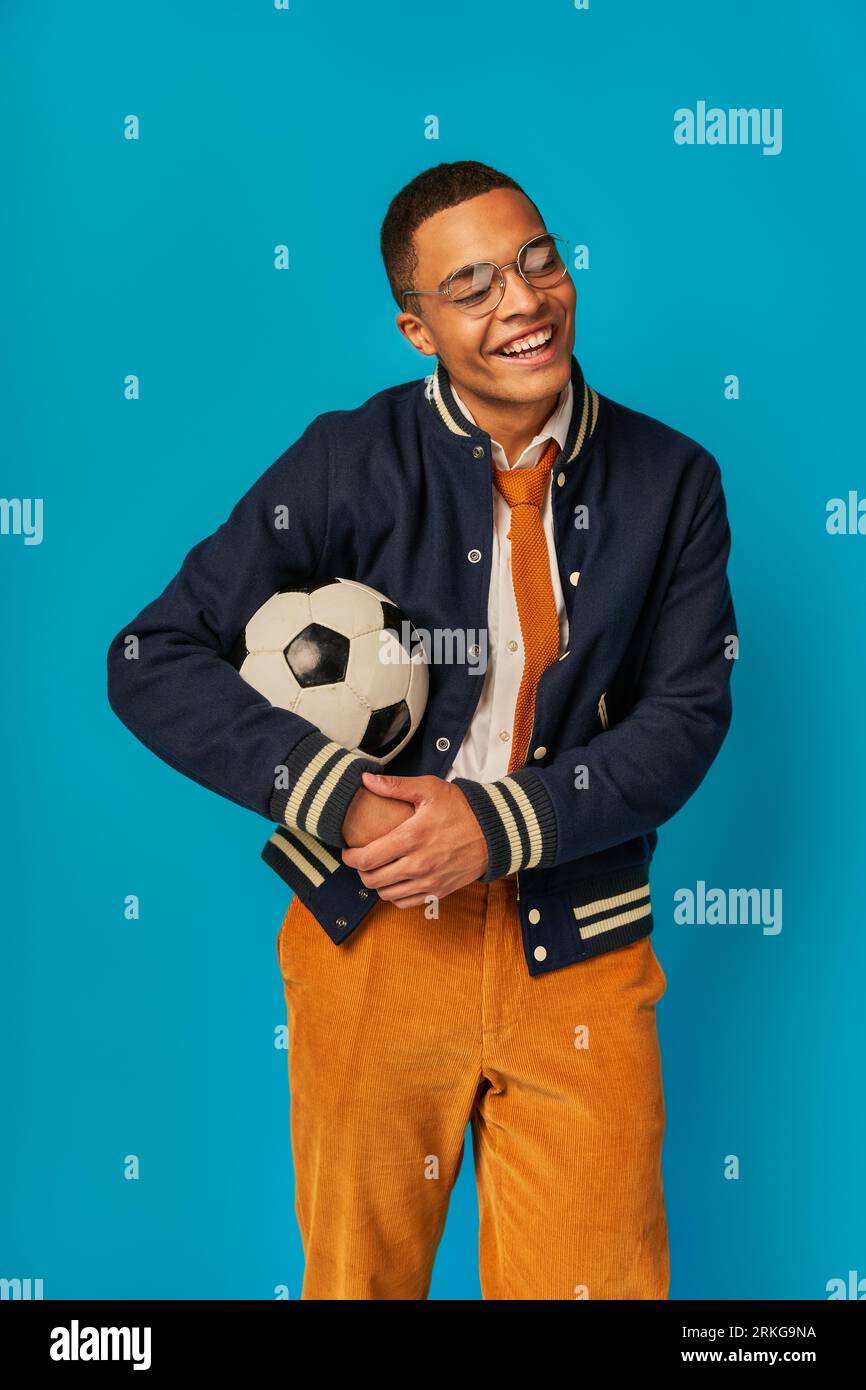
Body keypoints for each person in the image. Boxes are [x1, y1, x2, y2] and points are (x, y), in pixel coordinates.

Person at [107, 160, 737, 1300]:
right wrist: (337, 796)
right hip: (372, 940)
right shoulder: (348, 458)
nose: (522, 301)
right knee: (359, 1287)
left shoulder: (672, 478)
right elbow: (152, 654)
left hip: (579, 951)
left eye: (537, 258)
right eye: (474, 284)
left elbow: (686, 717)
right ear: (417, 326)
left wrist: (499, 826)